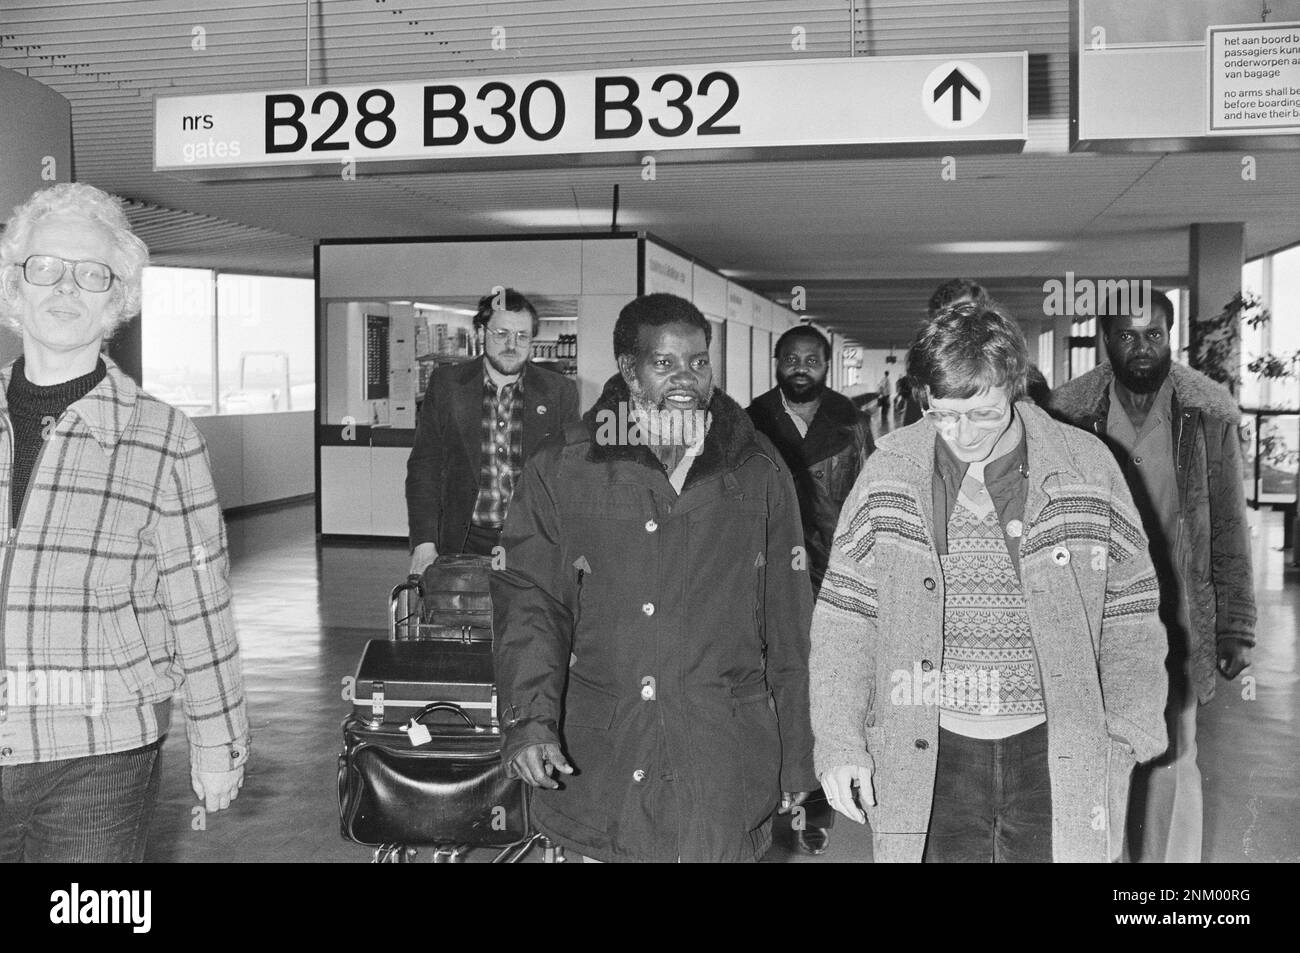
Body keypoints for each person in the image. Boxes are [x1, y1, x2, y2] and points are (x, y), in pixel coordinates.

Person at [811, 302, 1169, 863]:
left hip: (1056, 743)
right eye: (943, 415)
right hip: (931, 746)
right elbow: (846, 614)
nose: (961, 435)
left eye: (982, 415)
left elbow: (1132, 606)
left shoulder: (1086, 468)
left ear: (1016, 389)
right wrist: (839, 740)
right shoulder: (890, 473)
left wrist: (1124, 732)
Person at [492, 293, 817, 862]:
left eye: (698, 361)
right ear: (629, 370)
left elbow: (789, 620)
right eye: (664, 363)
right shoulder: (566, 466)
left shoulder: (756, 468)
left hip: (721, 747)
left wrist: (799, 755)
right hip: (604, 745)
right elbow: (532, 603)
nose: (685, 378)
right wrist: (529, 721)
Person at [0, 182, 249, 862]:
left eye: (92, 274)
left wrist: (218, 737)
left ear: (117, 300)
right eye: (45, 266)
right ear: (14, 282)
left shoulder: (164, 437)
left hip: (101, 751)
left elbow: (200, 602)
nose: (65, 286)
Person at [1049, 289, 1255, 863]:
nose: (1142, 348)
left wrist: (1236, 624)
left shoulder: (1207, 418)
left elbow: (1230, 527)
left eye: (1154, 334)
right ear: (1105, 340)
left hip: (1180, 619)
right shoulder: (1070, 418)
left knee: (1175, 753)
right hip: (1098, 616)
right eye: (1127, 335)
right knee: (1102, 752)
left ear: (1172, 337)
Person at [747, 324, 874, 855]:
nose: (801, 368)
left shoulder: (849, 421)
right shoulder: (751, 418)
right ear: (777, 362)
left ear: (827, 365)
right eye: (792, 359)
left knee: (825, 684)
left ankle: (814, 805)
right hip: (766, 567)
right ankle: (766, 793)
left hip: (831, 570)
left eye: (812, 360)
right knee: (769, 678)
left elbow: (868, 495)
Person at [405, 288, 579, 570]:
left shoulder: (559, 392)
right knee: (463, 615)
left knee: (528, 616)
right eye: (501, 334)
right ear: (481, 333)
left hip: (534, 542)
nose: (512, 344)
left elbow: (570, 471)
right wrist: (424, 543)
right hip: (463, 541)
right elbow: (425, 467)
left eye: (522, 336)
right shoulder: (447, 385)